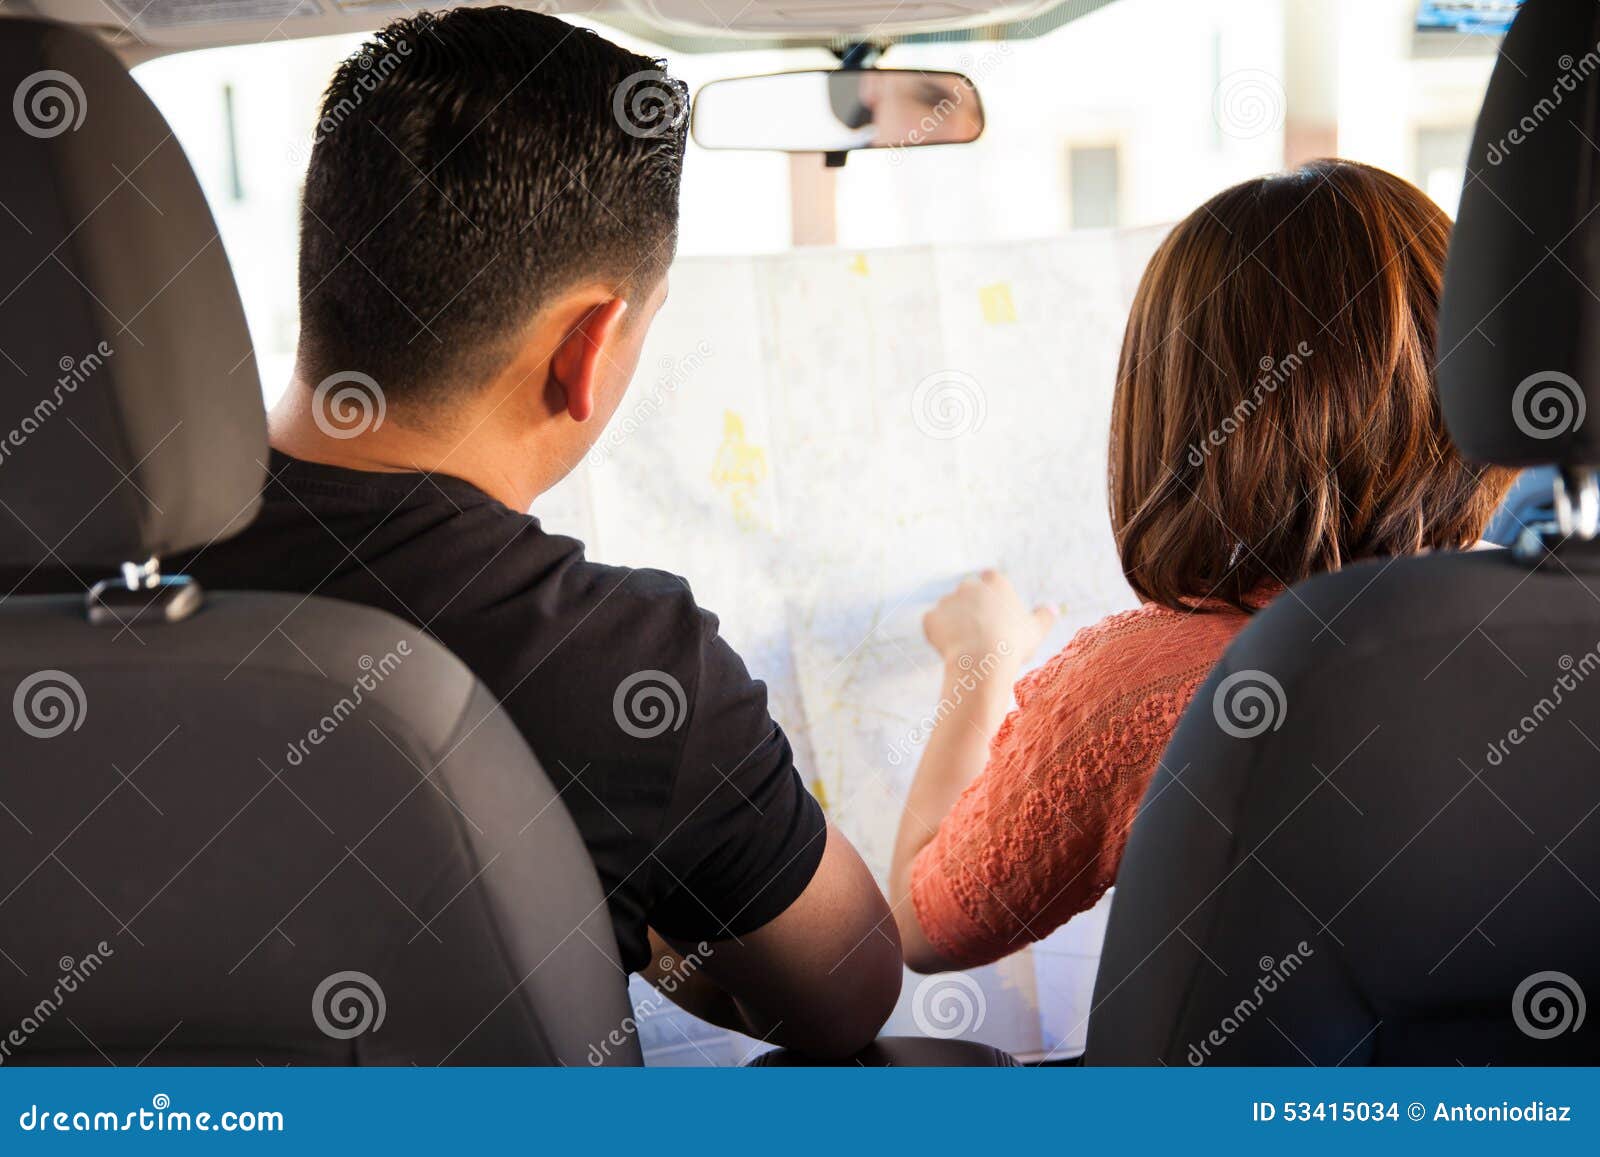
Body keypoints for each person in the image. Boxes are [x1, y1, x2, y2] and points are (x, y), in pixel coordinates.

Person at [172, 9, 900, 1056]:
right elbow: (846, 997)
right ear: (590, 345)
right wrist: (643, 920)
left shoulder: (50, 586)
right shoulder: (624, 662)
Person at [889, 160, 1516, 973]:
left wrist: (978, 664)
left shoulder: (1136, 689)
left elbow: (914, 926)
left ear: (1169, 410)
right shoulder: (1560, 623)